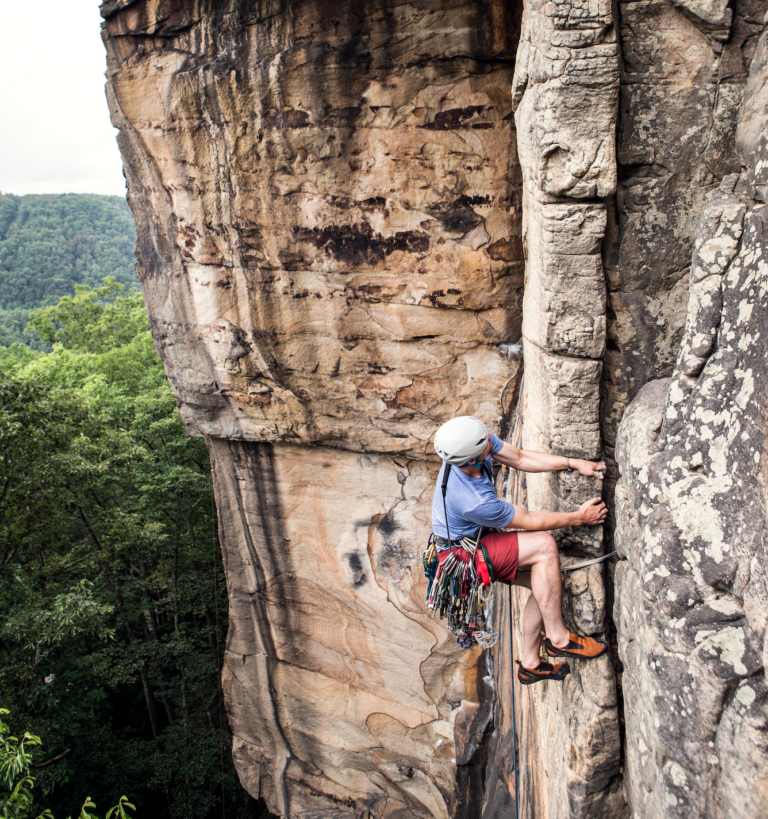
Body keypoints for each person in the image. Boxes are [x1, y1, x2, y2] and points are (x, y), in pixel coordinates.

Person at [431, 415, 608, 684]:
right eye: (485, 446)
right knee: (544, 547)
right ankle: (559, 638)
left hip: (472, 539)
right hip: (464, 556)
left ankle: (530, 664)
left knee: (545, 581)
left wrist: (573, 463)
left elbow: (521, 458)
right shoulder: (474, 500)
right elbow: (528, 520)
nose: (490, 442)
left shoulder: (476, 442)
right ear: (471, 459)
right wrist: (579, 517)